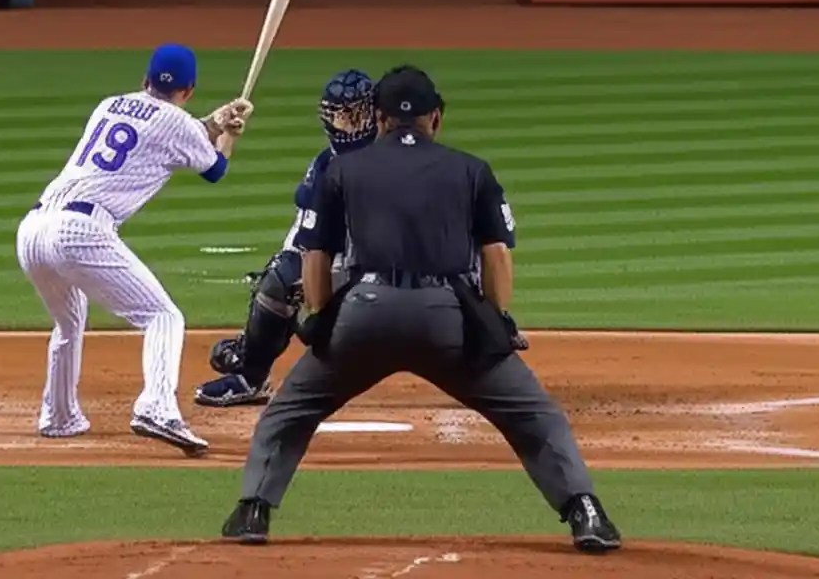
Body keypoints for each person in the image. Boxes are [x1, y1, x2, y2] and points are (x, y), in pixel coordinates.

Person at [219, 66, 623, 554]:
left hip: (363, 315)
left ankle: (252, 512)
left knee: (288, 412)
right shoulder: (472, 169)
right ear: (436, 117)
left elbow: (314, 257)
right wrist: (492, 323)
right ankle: (587, 513)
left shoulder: (340, 169)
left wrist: (325, 321)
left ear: (381, 121)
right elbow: (496, 256)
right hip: (447, 316)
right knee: (535, 417)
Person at [16, 44, 251, 457]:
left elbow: (171, 131)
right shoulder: (178, 123)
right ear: (189, 90)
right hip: (79, 231)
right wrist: (228, 132)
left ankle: (60, 417)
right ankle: (156, 408)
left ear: (145, 80)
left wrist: (215, 121)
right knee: (163, 316)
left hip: (33, 229)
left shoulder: (112, 104)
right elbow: (215, 168)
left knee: (69, 324)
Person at [194, 69, 376, 408]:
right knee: (279, 281)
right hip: (341, 261)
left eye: (353, 116)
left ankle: (485, 371)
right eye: (338, 115)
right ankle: (252, 375)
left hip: (391, 264)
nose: (344, 124)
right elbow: (304, 240)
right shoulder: (325, 164)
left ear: (372, 116)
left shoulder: (394, 159)